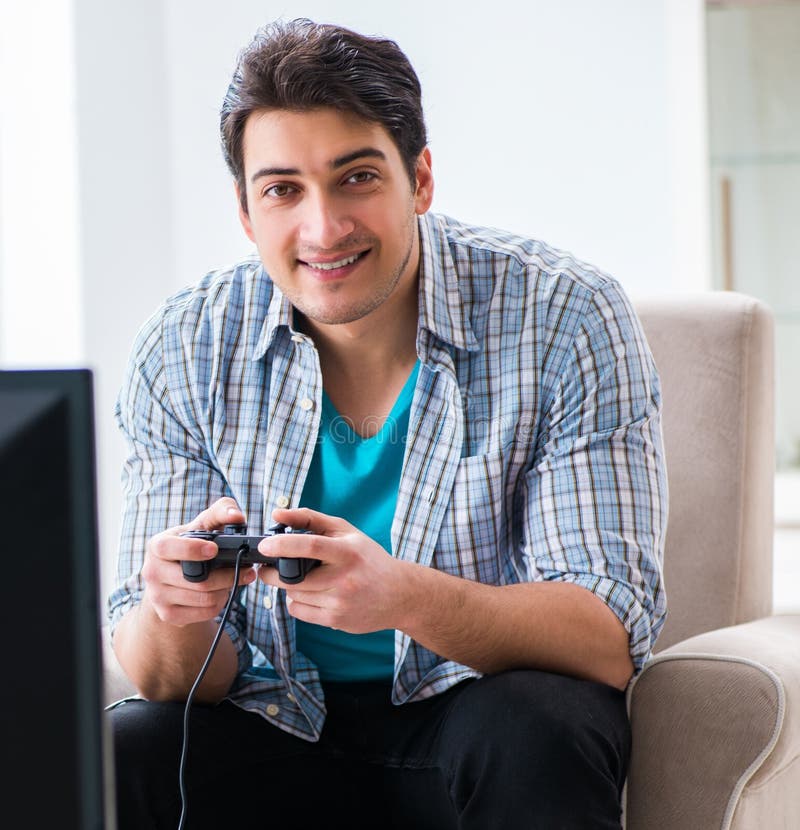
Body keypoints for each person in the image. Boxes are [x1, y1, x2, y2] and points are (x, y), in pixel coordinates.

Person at [107, 17, 667, 830]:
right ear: (245, 209)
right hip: (273, 722)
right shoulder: (183, 345)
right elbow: (168, 678)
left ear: (421, 179)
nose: (323, 228)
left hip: (475, 711)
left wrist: (402, 595)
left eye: (356, 178)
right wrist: (175, 610)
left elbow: (605, 635)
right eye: (283, 190)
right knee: (136, 745)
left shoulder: (566, 317)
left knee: (538, 727)